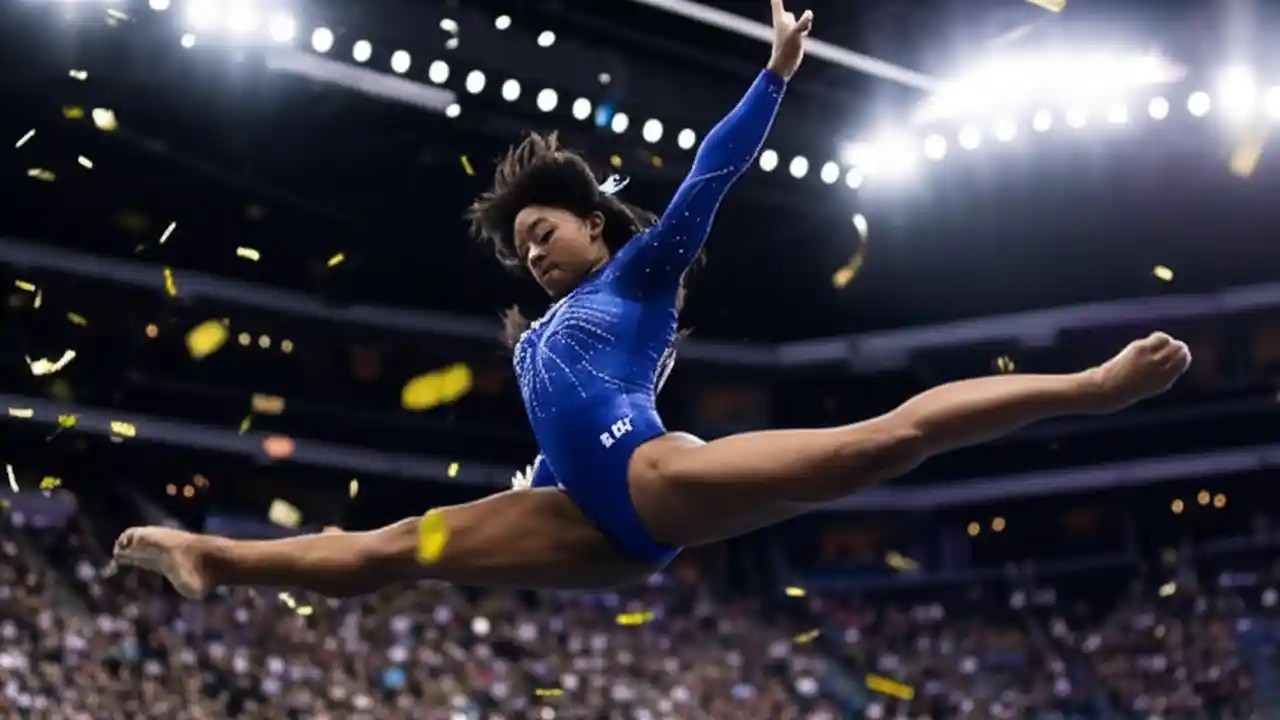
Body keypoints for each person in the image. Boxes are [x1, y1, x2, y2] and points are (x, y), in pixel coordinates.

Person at [112, 0, 1191, 598]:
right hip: (577, 519)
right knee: (402, 547)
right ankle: (211, 556)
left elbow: (710, 178)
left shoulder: (641, 273)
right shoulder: (532, 334)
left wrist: (772, 73)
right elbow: (548, 419)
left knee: (875, 443)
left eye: (545, 234)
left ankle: (1086, 386)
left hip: (652, 477)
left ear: (591, 226)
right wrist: (535, 473)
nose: (533, 257)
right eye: (521, 249)